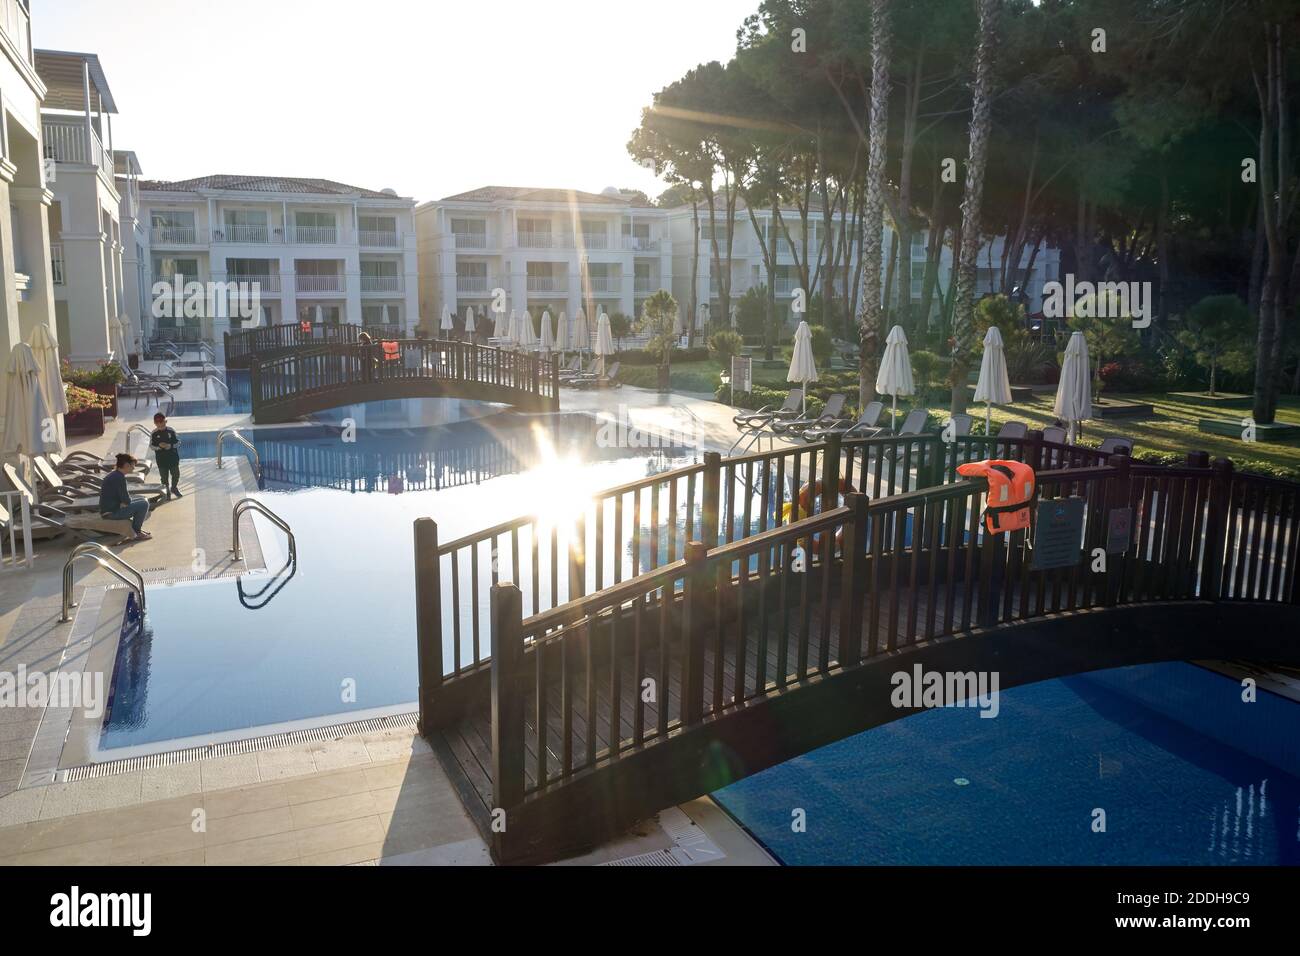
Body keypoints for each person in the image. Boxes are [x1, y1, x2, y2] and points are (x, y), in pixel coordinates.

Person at [99, 453, 152, 540]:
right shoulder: (119, 478)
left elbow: (124, 499)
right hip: (111, 513)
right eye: (133, 466)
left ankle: (136, 530)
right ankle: (137, 532)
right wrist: (125, 503)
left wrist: (125, 502)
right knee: (144, 504)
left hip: (110, 509)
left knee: (143, 499)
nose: (134, 468)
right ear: (127, 465)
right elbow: (126, 500)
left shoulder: (115, 474)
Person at [150, 412, 182, 499]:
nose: (160, 423)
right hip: (161, 459)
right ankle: (166, 490)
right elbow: (151, 446)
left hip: (173, 458)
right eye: (157, 422)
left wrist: (170, 446)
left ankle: (174, 488)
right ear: (155, 423)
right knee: (164, 477)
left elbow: (178, 442)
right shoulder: (154, 433)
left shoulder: (171, 431)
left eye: (161, 421)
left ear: (165, 421)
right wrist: (159, 447)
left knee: (176, 474)